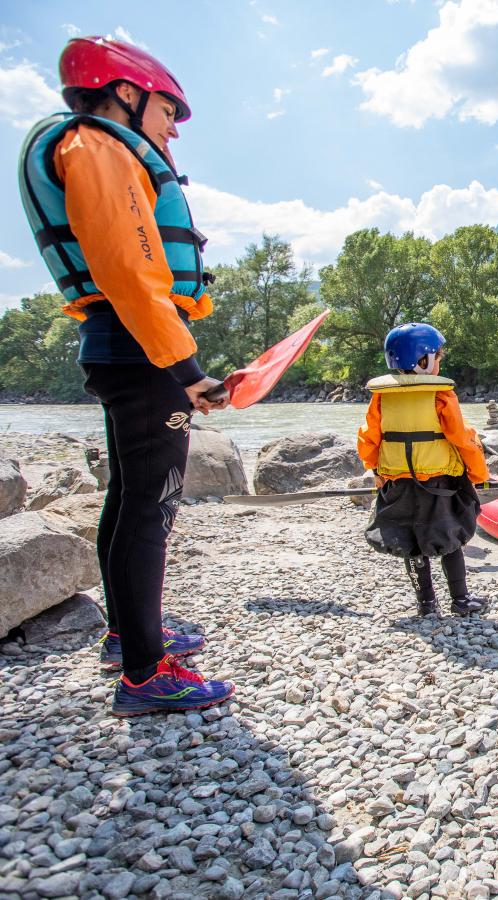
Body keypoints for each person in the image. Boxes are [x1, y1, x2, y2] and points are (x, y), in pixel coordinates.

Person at [18, 36, 234, 717]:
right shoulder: (97, 148)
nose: (174, 128)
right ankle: (145, 673)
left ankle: (128, 637)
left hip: (122, 346)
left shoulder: (92, 147)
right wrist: (188, 372)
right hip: (140, 351)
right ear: (127, 94)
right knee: (153, 507)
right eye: (170, 110)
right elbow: (131, 272)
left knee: (131, 498)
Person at [357, 323, 491, 617]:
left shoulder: (382, 396)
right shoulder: (440, 395)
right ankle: (460, 599)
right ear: (423, 361)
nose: (440, 362)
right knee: (450, 537)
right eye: (438, 357)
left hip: (399, 484)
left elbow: (369, 438)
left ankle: (426, 604)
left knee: (413, 542)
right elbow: (462, 439)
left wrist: (374, 469)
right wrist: (479, 475)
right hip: (439, 483)